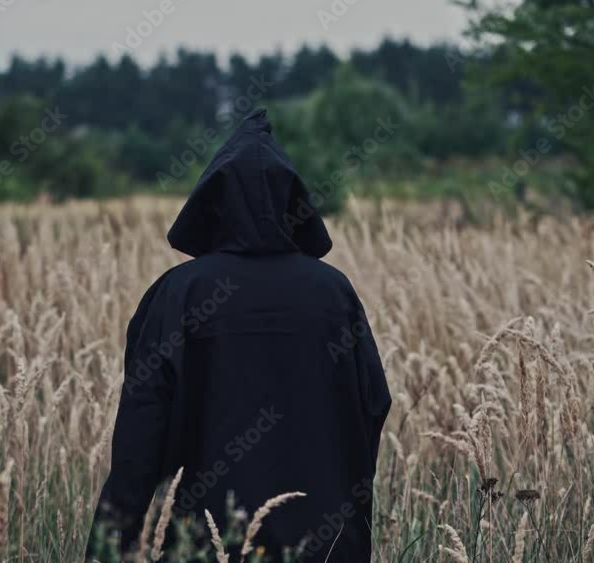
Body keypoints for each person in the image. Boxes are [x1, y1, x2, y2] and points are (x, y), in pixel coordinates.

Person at [86, 108, 391, 563]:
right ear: (294, 204)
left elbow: (139, 440)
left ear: (211, 203)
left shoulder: (180, 294)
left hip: (204, 546)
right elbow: (372, 408)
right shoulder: (334, 294)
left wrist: (108, 549)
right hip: (325, 547)